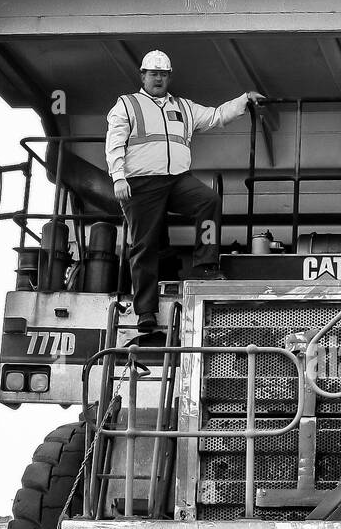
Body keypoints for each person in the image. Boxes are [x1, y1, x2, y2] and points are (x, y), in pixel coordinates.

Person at [105, 50, 264, 341]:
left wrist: (242, 100)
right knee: (145, 246)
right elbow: (114, 142)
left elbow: (216, 117)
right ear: (143, 75)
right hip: (141, 184)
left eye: (163, 74)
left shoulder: (184, 107)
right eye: (153, 74)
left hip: (177, 180)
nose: (158, 79)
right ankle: (145, 312)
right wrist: (118, 177)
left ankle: (205, 267)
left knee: (208, 200)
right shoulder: (127, 105)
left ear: (169, 77)